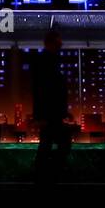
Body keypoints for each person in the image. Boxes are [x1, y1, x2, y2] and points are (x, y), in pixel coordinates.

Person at [32, 29, 72, 183]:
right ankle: (48, 174)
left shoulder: (48, 60)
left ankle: (44, 174)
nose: (61, 45)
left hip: (50, 114)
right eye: (58, 42)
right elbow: (42, 90)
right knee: (58, 143)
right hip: (50, 114)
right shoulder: (47, 62)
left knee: (48, 144)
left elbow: (43, 90)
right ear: (51, 43)